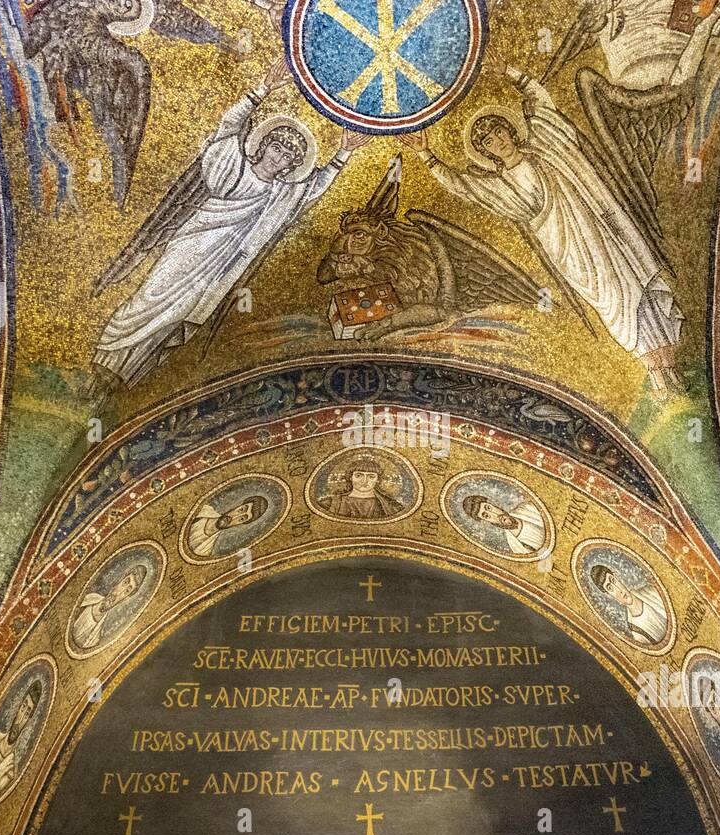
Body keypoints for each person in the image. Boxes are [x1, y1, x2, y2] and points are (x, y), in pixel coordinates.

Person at [401, 53, 686, 395]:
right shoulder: (501, 184)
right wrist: (426, 155)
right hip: (572, 250)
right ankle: (654, 373)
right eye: (489, 142)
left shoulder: (544, 145)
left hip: (605, 227)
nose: (499, 141)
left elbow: (540, 101)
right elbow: (463, 186)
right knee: (613, 299)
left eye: (500, 132)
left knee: (637, 283)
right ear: (486, 152)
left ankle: (674, 366)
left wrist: (509, 70)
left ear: (511, 130)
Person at [90, 58, 369, 391]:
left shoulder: (283, 193)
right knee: (151, 296)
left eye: (288, 158)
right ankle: (105, 355)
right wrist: (262, 89)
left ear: (291, 166)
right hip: (192, 245)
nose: (278, 158)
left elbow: (315, 186)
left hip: (224, 265)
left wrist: (344, 153)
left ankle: (125, 376)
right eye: (276, 148)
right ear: (263, 144)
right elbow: (228, 127)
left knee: (181, 313)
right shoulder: (232, 166)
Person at [0, 680, 43, 793]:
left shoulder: (10, 771)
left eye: (27, 714)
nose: (20, 720)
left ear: (29, 721)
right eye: (23, 707)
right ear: (18, 707)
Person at [71, 565, 149, 649]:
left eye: (127, 591)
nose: (118, 593)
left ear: (126, 598)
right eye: (125, 583)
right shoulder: (86, 599)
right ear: (119, 582)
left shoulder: (97, 637)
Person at [591, 561, 669, 644]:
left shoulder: (651, 591)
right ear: (608, 595)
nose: (618, 590)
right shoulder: (637, 632)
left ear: (617, 576)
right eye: (610, 588)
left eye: (613, 580)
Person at [318, 455, 405, 520]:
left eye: (371, 476)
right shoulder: (330, 504)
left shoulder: (393, 507)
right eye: (359, 475)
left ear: (378, 480)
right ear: (350, 477)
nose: (364, 481)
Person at [461, 493, 547, 556]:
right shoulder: (515, 547)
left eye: (489, 508)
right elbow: (545, 566)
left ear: (492, 504)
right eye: (487, 516)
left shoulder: (527, 507)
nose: (495, 515)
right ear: (485, 522)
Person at [186, 495, 269, 558]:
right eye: (241, 510)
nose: (234, 517)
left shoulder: (205, 550)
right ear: (237, 506)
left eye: (242, 519)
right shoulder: (203, 510)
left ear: (240, 524)